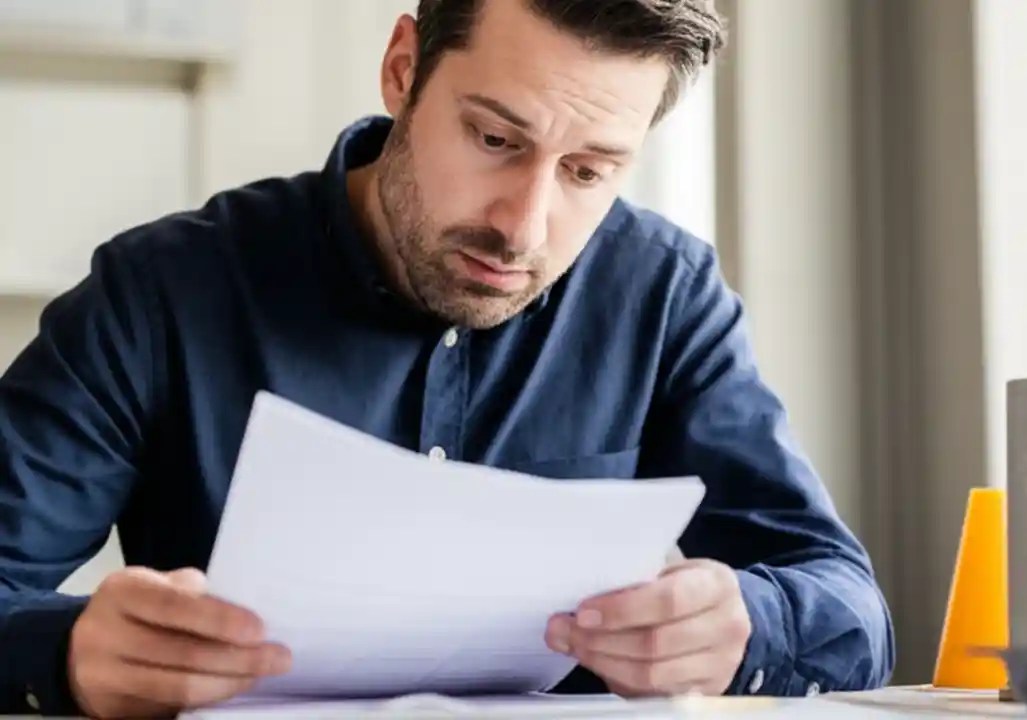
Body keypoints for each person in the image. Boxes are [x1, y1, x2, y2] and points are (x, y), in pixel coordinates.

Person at [0, 0, 895, 716]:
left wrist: (745, 628)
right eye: (496, 140)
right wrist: (69, 654)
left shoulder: (662, 296)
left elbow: (850, 607)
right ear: (403, 72)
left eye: (589, 171)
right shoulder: (162, 292)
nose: (523, 226)